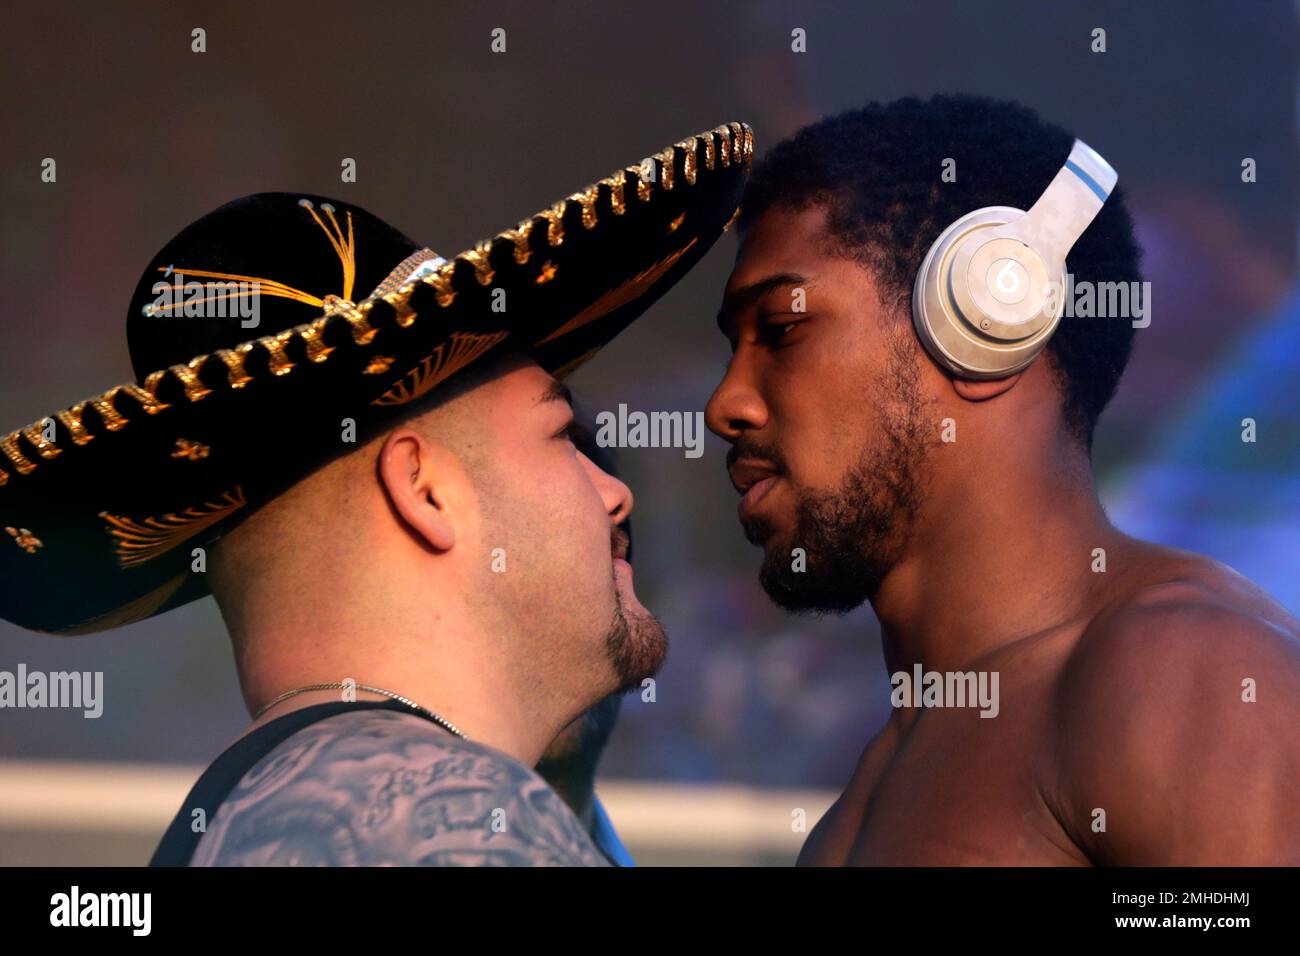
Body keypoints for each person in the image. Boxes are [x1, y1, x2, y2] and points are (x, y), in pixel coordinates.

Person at [0, 122, 753, 865]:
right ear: (424, 490)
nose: (615, 493)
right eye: (561, 434)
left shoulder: (254, 812)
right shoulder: (450, 822)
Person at [706, 94, 1300, 865]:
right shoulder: (879, 775)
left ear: (986, 313)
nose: (726, 405)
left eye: (781, 331)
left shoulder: (1183, 672)